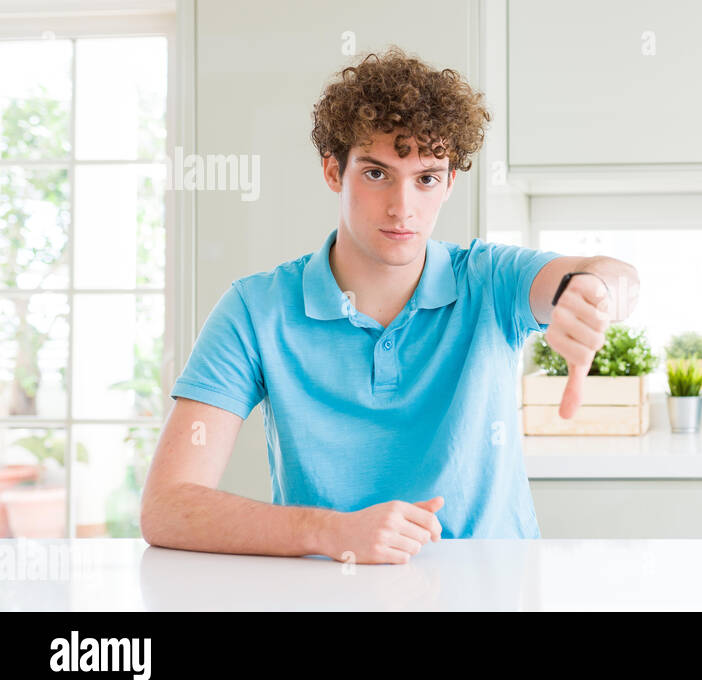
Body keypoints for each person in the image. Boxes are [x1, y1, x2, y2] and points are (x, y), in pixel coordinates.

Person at [140, 46, 639, 564]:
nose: (403, 207)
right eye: (377, 173)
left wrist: (594, 291)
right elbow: (168, 506)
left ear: (447, 183)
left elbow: (606, 273)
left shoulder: (491, 280)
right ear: (334, 172)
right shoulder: (255, 309)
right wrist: (330, 532)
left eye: (426, 178)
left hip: (493, 590)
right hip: (331, 592)